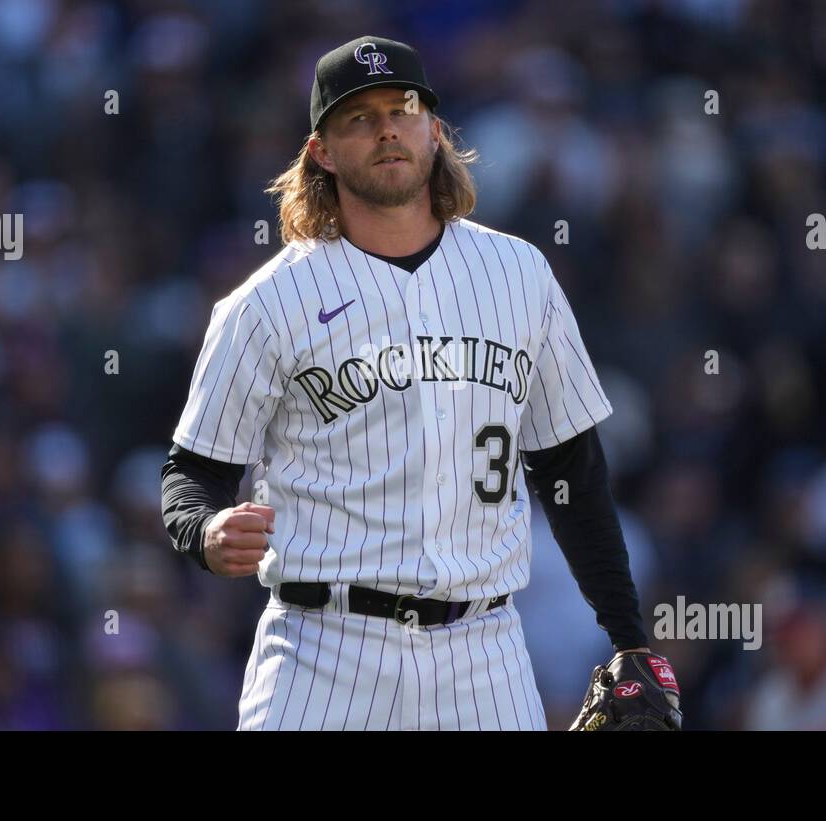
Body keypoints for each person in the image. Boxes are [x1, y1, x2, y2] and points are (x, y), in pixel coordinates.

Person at [161, 35, 671, 730]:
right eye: (358, 118)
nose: (386, 129)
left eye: (402, 108)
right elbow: (192, 470)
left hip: (484, 650)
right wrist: (205, 529)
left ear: (435, 131)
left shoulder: (519, 275)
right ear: (322, 152)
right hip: (324, 648)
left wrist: (628, 637)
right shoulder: (267, 303)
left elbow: (571, 471)